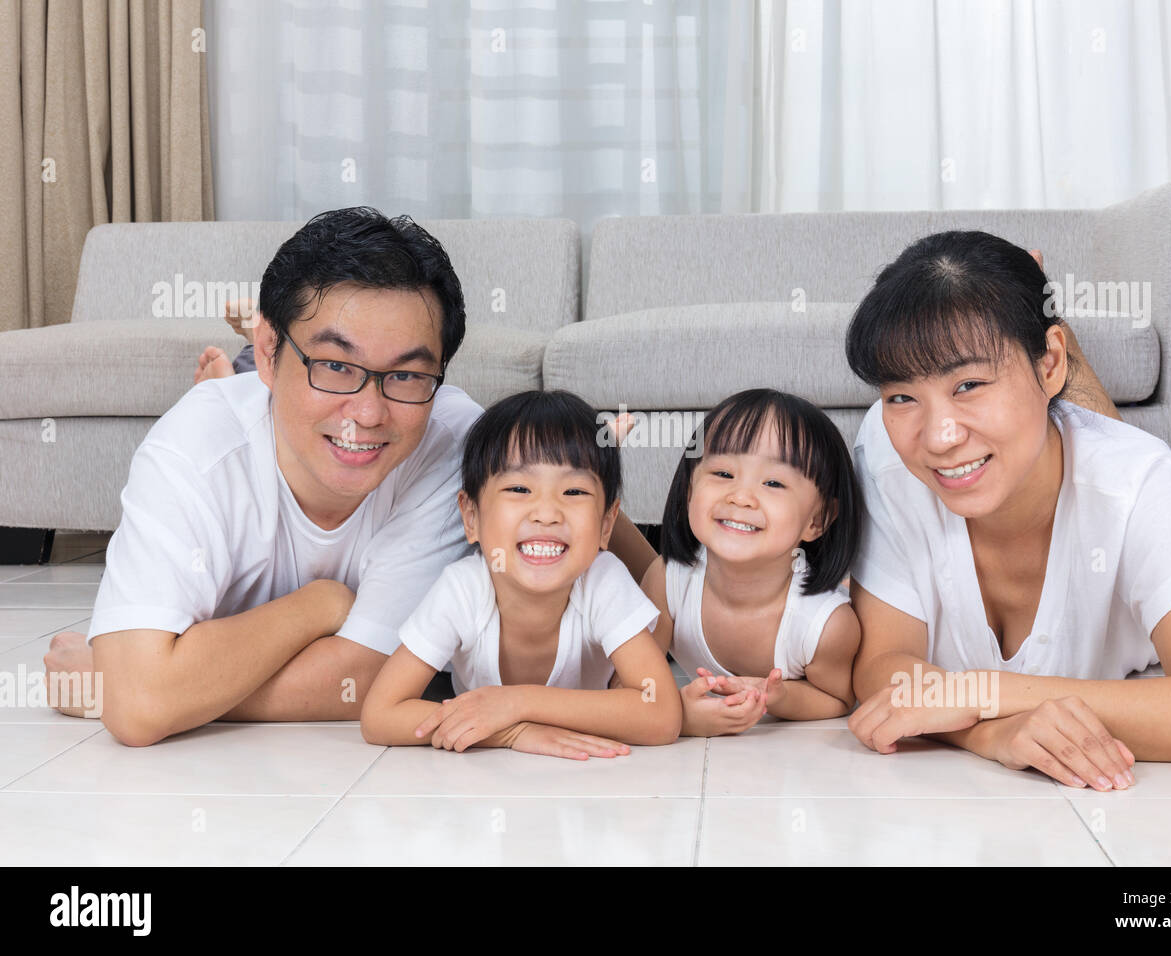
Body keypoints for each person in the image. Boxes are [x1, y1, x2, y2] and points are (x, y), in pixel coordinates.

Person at [42, 206, 656, 746]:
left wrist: (155, 685)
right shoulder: (191, 451)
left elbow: (367, 680)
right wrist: (320, 606)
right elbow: (141, 708)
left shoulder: (449, 448)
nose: (368, 412)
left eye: (407, 375)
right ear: (269, 351)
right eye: (334, 366)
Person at [843, 230, 1171, 788]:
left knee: (1098, 451)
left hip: (1090, 456)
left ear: (1049, 363)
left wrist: (980, 692)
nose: (939, 436)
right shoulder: (887, 453)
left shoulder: (1140, 479)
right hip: (1048, 428)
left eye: (969, 383)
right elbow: (881, 672)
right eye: (901, 396)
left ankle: (1059, 344)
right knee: (1048, 438)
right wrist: (989, 732)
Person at [361, 390, 681, 757]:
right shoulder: (463, 589)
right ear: (471, 517)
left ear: (608, 524)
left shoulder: (602, 579)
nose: (546, 513)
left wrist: (517, 703)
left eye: (573, 490)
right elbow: (380, 715)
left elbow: (661, 714)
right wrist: (512, 732)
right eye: (518, 488)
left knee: (666, 603)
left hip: (617, 668)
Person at [638, 389, 862, 736]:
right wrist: (679, 715)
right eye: (723, 474)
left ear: (817, 520)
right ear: (689, 490)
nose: (740, 497)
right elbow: (633, 683)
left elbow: (835, 697)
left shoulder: (825, 624)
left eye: (773, 482)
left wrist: (777, 696)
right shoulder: (668, 580)